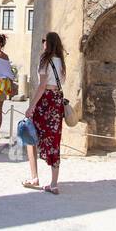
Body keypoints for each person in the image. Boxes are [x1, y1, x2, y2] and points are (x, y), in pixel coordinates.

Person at [23, 32, 67, 194]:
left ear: (48, 44)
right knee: (55, 139)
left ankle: (34, 176)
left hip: (46, 100)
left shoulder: (44, 60)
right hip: (56, 100)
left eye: (44, 41)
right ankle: (54, 183)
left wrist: (31, 106)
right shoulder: (61, 61)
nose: (42, 44)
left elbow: (42, 86)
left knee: (31, 135)